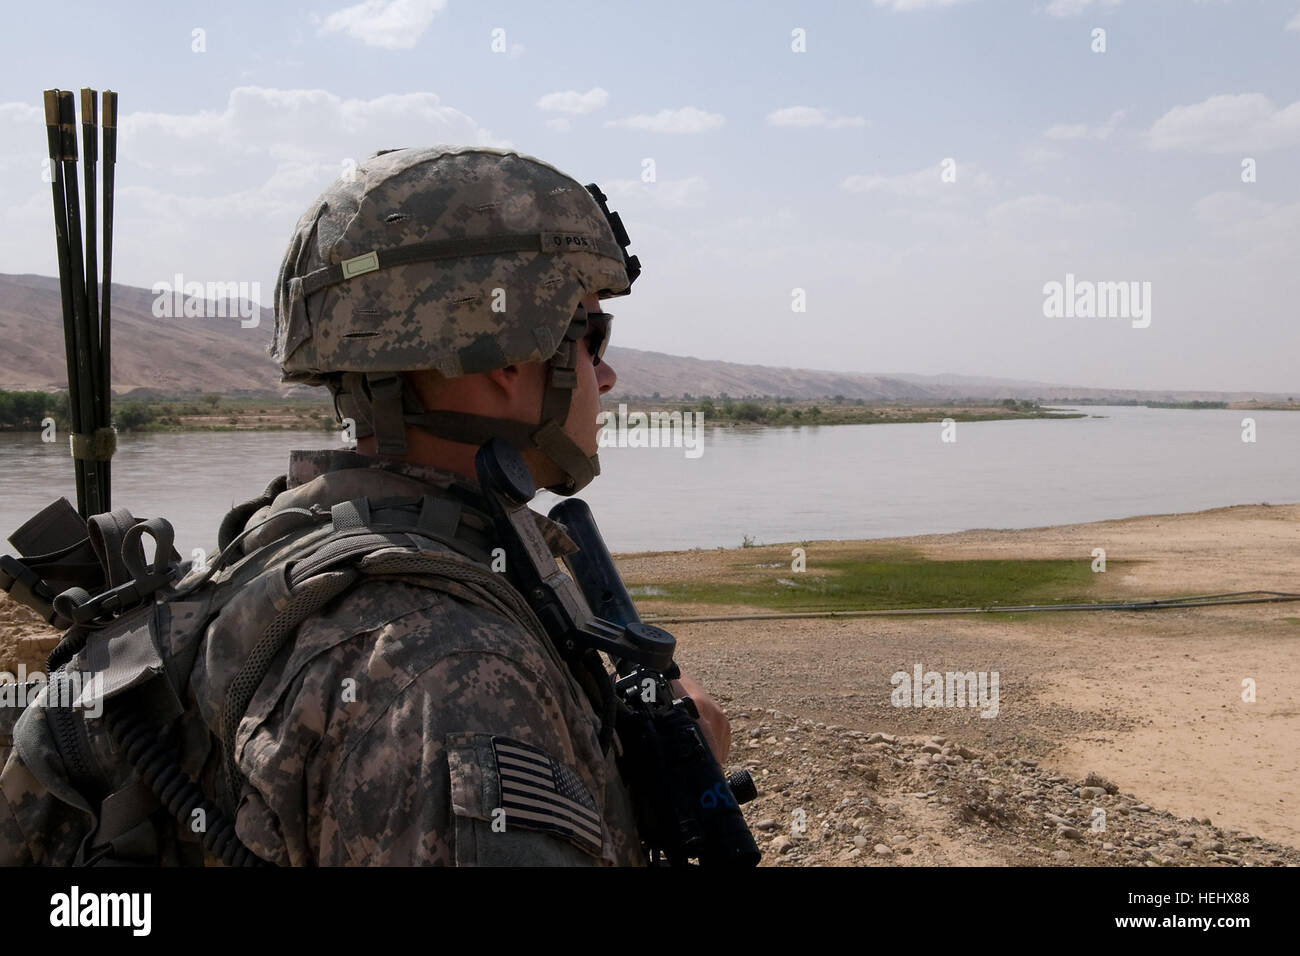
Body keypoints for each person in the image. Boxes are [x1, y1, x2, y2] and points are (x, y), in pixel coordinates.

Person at [0, 144, 729, 866]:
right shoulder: (450, 669)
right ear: (510, 356)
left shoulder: (287, 537)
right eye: (591, 336)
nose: (606, 375)